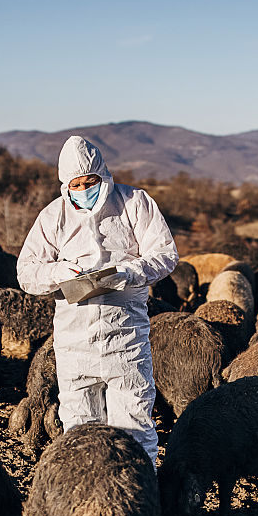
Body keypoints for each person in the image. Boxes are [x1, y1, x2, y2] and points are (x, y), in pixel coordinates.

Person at [17, 135, 178, 465]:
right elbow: (27, 272)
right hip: (75, 343)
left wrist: (127, 272)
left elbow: (165, 254)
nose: (84, 188)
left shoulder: (134, 203)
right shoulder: (53, 216)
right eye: (76, 184)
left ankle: (141, 497)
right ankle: (87, 502)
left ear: (103, 175)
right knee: (79, 433)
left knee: (134, 427)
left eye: (90, 181)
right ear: (66, 184)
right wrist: (61, 272)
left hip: (126, 339)